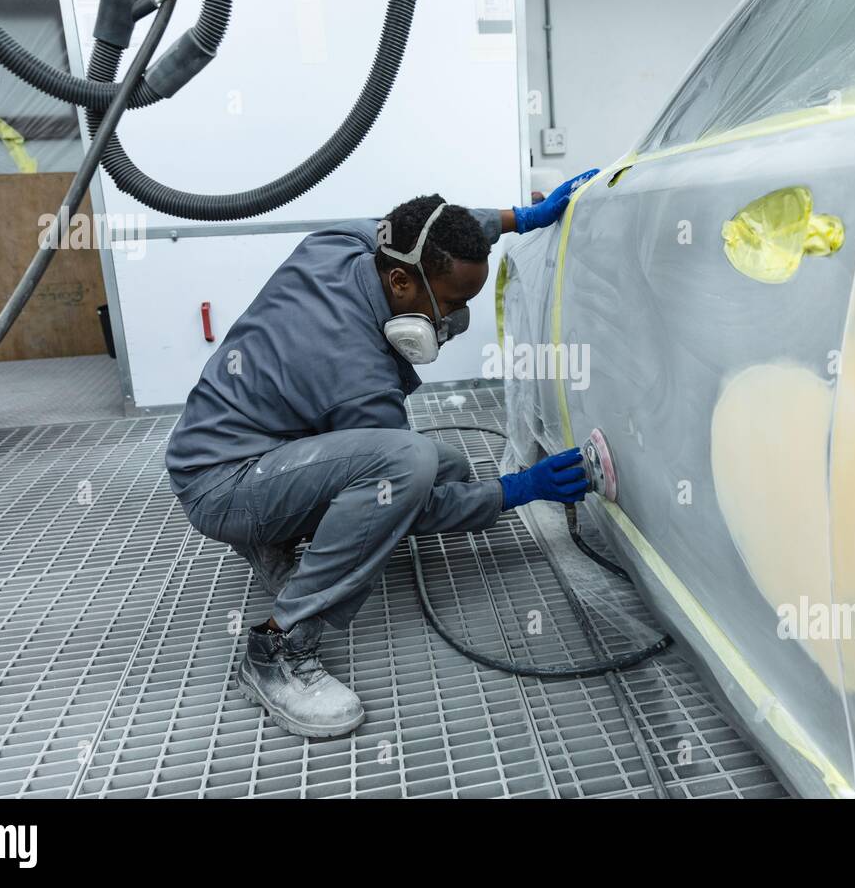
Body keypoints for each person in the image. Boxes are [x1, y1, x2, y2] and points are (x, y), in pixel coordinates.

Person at [164, 171, 598, 739]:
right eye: (449, 305)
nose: (452, 322)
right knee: (412, 466)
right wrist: (519, 490)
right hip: (223, 483)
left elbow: (431, 228)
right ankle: (277, 649)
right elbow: (409, 504)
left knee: (448, 466)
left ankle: (274, 536)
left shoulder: (345, 245)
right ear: (400, 283)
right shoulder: (356, 374)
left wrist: (518, 218)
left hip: (250, 446)